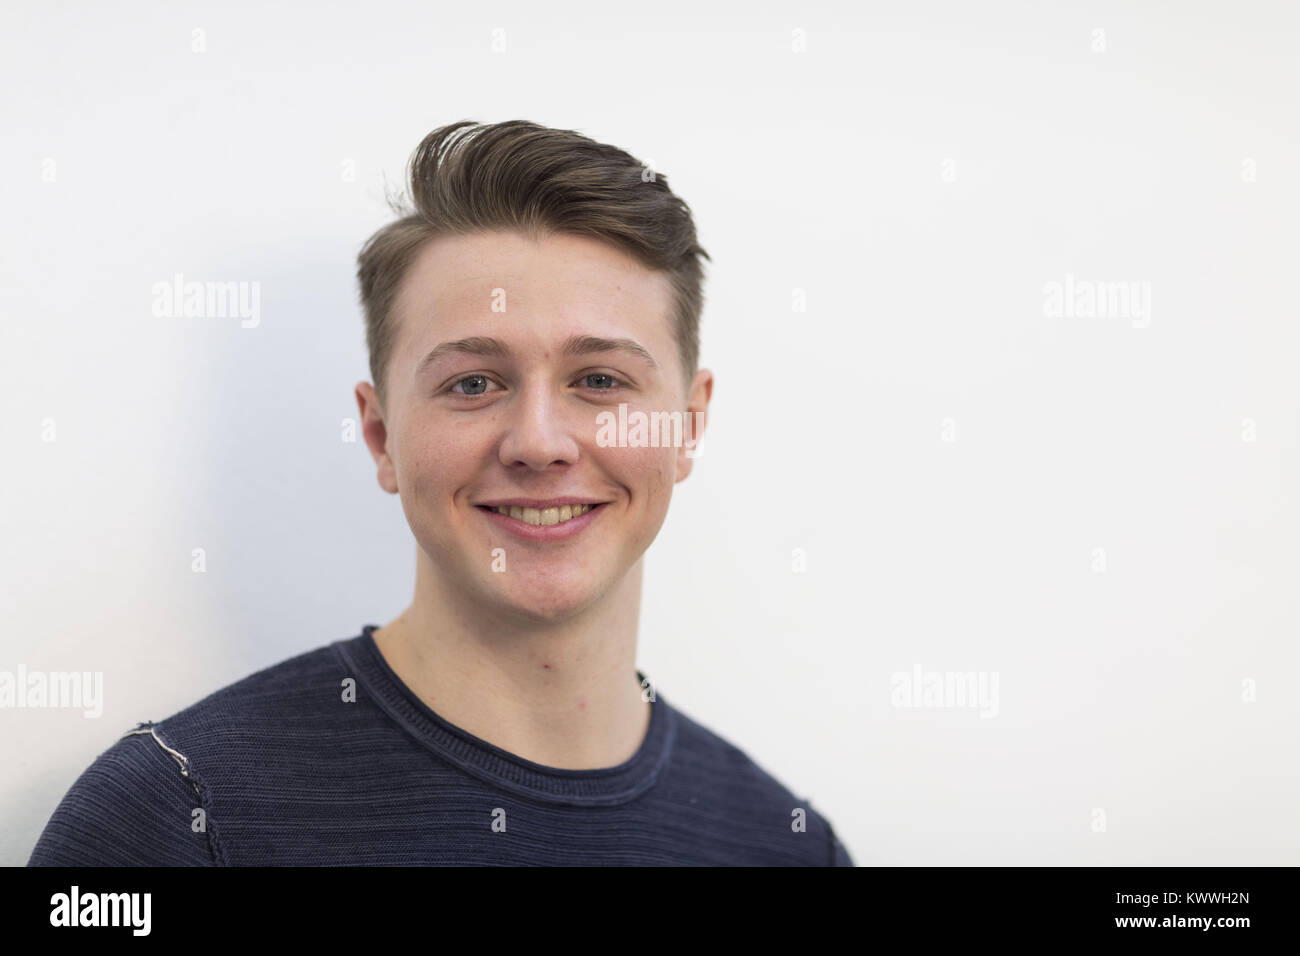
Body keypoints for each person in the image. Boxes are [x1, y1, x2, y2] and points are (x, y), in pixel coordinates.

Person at [28, 119, 853, 866]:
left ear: (687, 426)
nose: (538, 442)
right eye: (473, 383)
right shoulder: (170, 819)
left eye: (599, 379)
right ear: (382, 434)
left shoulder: (784, 846)